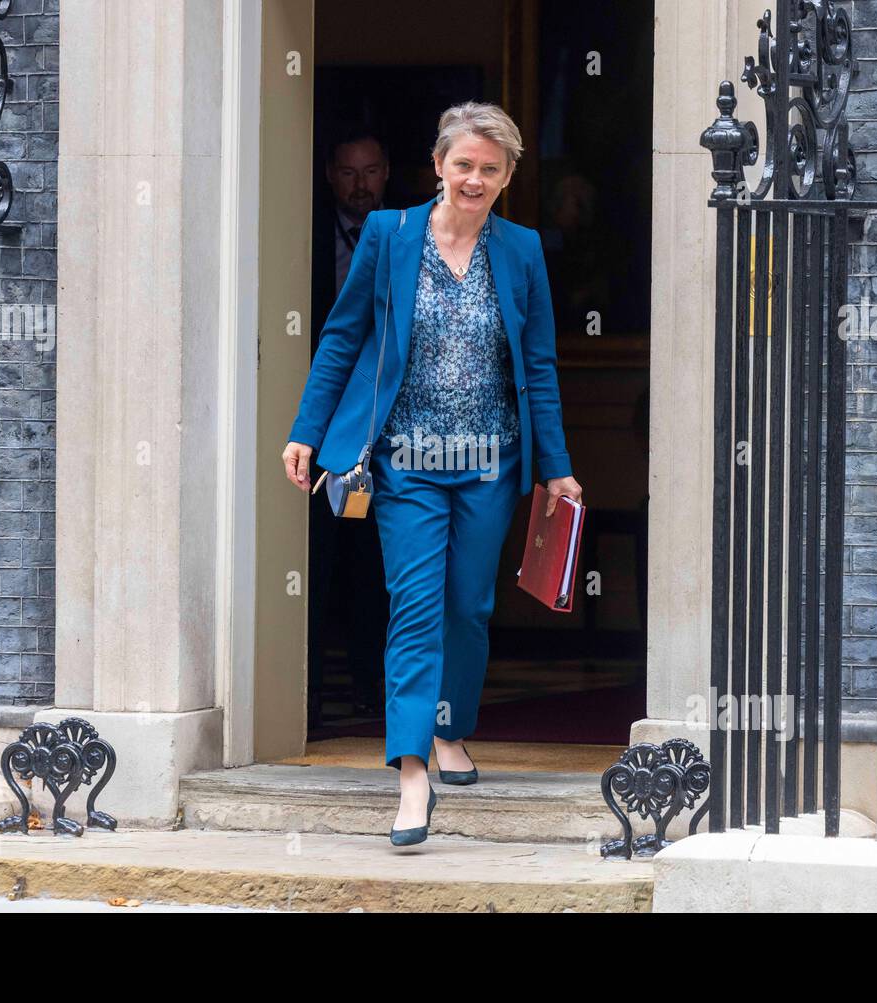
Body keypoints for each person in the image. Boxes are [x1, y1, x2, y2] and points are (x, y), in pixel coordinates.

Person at [282, 102, 583, 848]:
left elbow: (538, 365)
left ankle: (451, 728)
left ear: (509, 175)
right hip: (406, 461)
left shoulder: (521, 250)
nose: (474, 178)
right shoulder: (389, 235)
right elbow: (344, 334)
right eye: (463, 164)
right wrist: (308, 430)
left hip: (489, 464)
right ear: (438, 163)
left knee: (468, 605)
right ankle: (412, 770)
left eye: (490, 168)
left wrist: (557, 469)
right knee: (414, 605)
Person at [307, 125, 394, 723]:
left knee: (377, 563)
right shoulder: (303, 233)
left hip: (391, 423)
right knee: (317, 556)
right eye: (347, 173)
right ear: (328, 176)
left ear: (386, 173)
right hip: (324, 420)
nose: (359, 185)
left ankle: (376, 687)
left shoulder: (410, 233)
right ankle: (303, 690)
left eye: (369, 172)